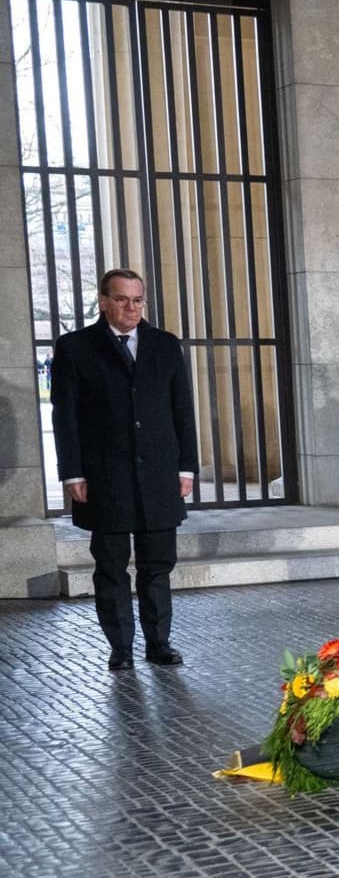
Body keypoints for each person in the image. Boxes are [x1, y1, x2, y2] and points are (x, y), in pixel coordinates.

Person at [50, 268, 198, 670]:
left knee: (157, 567)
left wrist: (187, 466)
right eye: (121, 299)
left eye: (138, 300)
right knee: (111, 567)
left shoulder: (165, 345)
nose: (131, 308)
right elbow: (66, 416)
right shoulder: (74, 347)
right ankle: (120, 648)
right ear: (103, 301)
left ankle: (159, 644)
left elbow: (182, 410)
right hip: (104, 477)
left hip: (159, 476)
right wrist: (73, 473)